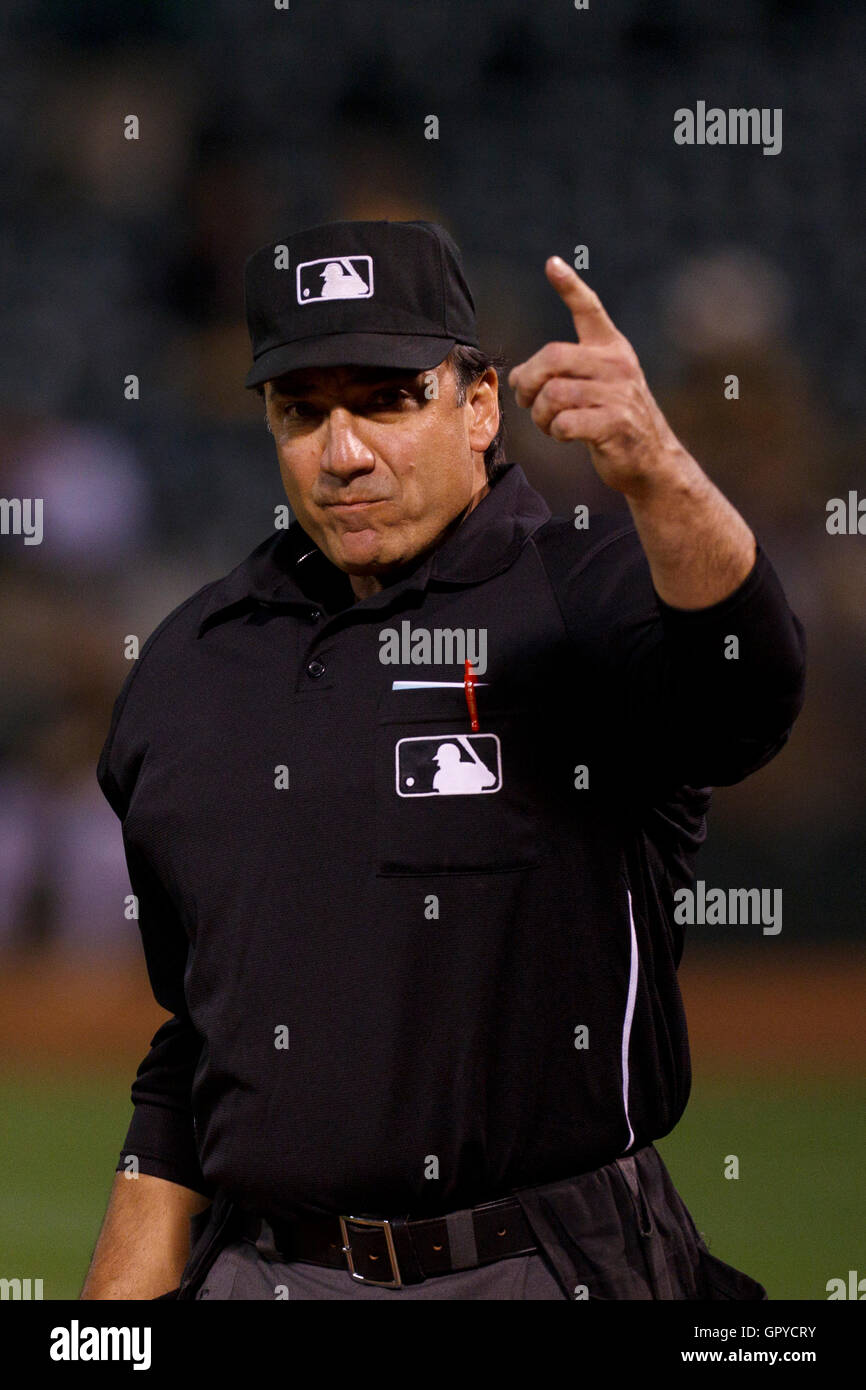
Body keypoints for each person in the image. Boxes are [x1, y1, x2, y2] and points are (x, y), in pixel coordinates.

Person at [81, 219, 805, 1300]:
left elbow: (745, 695)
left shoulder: (589, 596)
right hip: (263, 1271)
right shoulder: (190, 667)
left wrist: (654, 469)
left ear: (478, 405)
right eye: (301, 411)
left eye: (385, 399)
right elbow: (197, 1033)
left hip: (541, 1267)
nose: (342, 452)